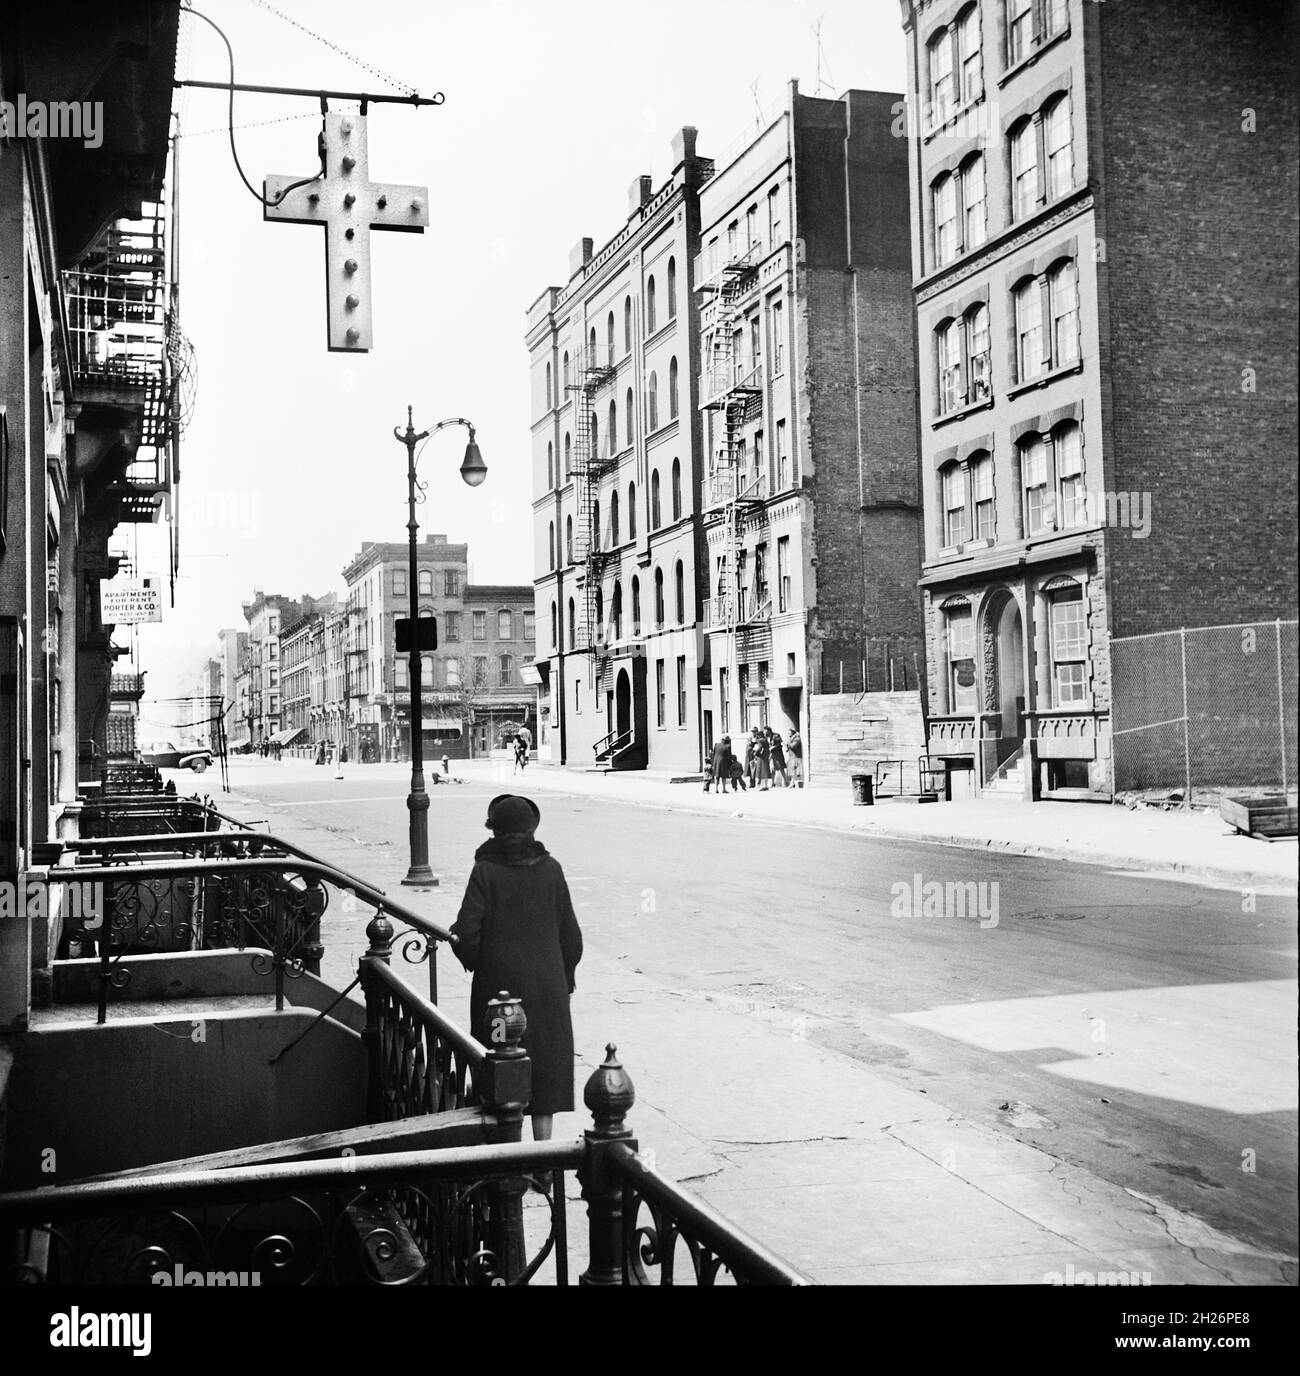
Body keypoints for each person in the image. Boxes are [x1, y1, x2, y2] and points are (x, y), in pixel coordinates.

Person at [450, 794, 583, 1142]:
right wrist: (565, 976)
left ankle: (510, 1160)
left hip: (498, 991)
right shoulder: (551, 868)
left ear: (495, 832)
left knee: (501, 1067)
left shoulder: (485, 871)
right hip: (547, 988)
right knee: (544, 1070)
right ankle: (543, 1159)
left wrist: (473, 959)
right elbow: (572, 936)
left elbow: (465, 933)